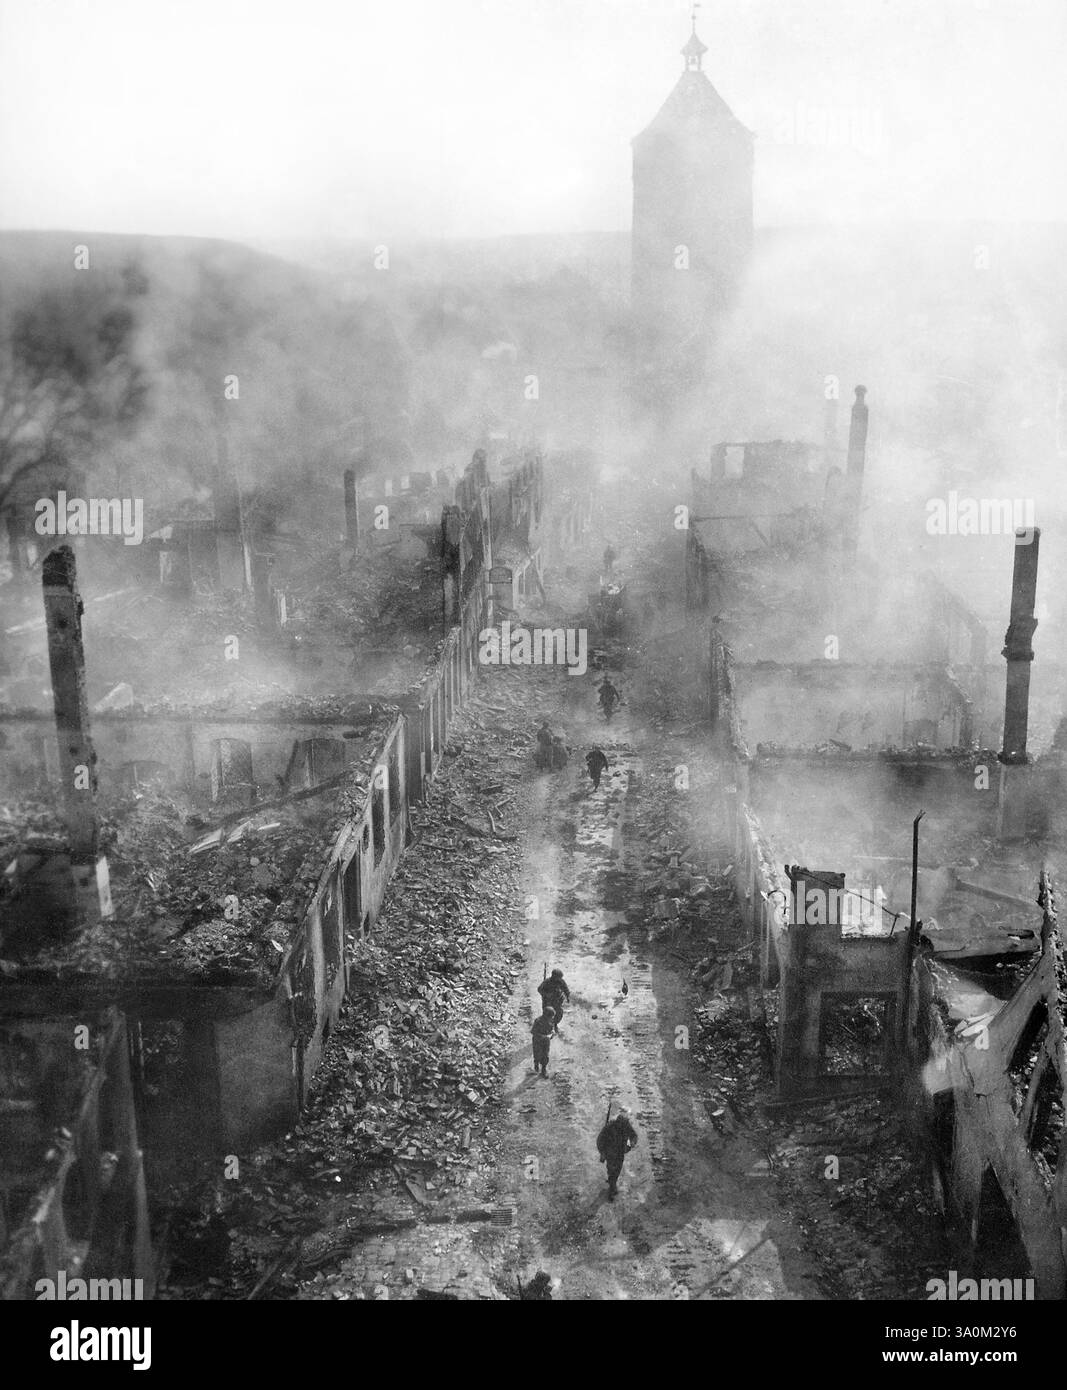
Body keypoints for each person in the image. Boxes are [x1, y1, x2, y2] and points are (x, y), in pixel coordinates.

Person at [596, 1107, 638, 1200]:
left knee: (617, 1169)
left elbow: (633, 1135)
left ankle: (612, 1181)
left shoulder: (626, 1125)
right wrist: (602, 1152)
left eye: (624, 1123)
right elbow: (600, 1140)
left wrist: (632, 1142)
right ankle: (612, 1187)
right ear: (617, 1121)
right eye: (620, 1123)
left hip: (620, 1151)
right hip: (610, 1152)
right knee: (611, 1169)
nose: (622, 1125)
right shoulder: (610, 1126)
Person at [537, 968, 570, 1033]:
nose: (560, 979)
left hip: (557, 1001)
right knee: (547, 1015)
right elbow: (539, 989)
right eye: (558, 977)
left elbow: (565, 989)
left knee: (559, 1014)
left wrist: (567, 996)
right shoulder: (547, 982)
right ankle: (546, 1028)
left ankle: (555, 1025)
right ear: (554, 976)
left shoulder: (561, 981)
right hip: (548, 1002)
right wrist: (546, 994)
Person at [531, 1006, 555, 1076]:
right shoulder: (538, 1021)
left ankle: (543, 1070)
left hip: (546, 1042)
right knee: (537, 1055)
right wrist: (542, 1036)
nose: (551, 1018)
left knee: (545, 1055)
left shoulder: (550, 1021)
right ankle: (536, 1065)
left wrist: (552, 1033)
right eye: (550, 1017)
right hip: (537, 1042)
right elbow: (533, 1032)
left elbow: (552, 1028)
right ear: (545, 1016)